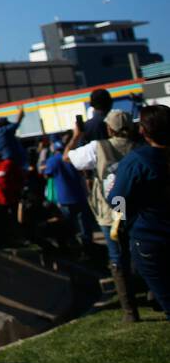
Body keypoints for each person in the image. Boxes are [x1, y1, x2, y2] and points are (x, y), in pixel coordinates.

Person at [66, 109, 141, 320]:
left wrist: (76, 135)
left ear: (109, 128)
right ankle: (153, 290)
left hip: (110, 213)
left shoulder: (97, 147)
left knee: (118, 257)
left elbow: (68, 158)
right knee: (142, 251)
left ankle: (129, 310)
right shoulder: (139, 146)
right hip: (137, 210)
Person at [108, 105, 170, 319]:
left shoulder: (137, 161)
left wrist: (124, 217)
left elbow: (117, 200)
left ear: (143, 131)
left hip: (150, 237)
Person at [43, 126, 100, 253]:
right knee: (85, 226)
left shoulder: (52, 160)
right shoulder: (74, 156)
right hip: (80, 196)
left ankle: (73, 248)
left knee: (68, 226)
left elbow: (47, 174)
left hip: (64, 199)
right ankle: (88, 249)